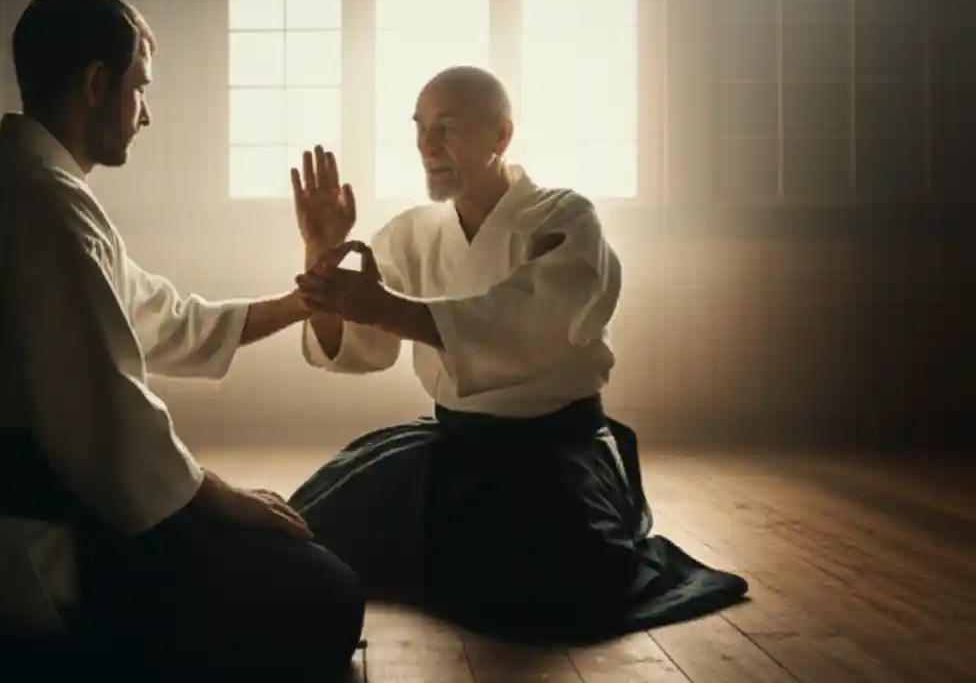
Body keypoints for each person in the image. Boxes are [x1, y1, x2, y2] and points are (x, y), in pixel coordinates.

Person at [0, 0, 364, 681]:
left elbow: (166, 318)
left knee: (307, 579)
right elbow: (104, 420)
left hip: (45, 492)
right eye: (140, 88)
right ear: (97, 83)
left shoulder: (31, 186)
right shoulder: (40, 207)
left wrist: (310, 293)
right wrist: (220, 495)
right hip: (22, 527)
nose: (145, 114)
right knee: (326, 599)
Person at [285, 66, 747, 641]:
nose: (427, 146)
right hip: (455, 443)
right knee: (302, 536)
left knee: (555, 590)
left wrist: (389, 308)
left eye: (446, 127)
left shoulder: (564, 216)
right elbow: (361, 347)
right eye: (420, 128)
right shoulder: (412, 233)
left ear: (500, 135)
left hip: (551, 453)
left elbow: (533, 321)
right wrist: (321, 251)